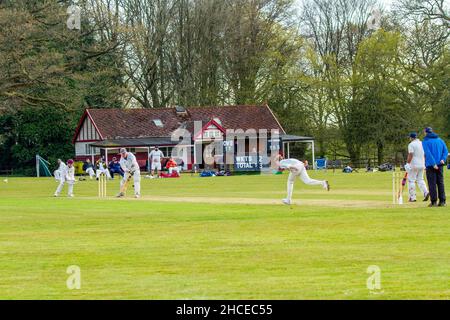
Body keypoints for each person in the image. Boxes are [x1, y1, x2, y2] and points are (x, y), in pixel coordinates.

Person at [422, 127, 448, 207]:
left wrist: (433, 164)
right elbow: (446, 151)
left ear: (426, 132)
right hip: (440, 164)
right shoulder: (440, 140)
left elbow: (428, 153)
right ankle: (442, 201)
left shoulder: (425, 141)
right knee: (440, 183)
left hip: (431, 165)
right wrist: (443, 159)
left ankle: (433, 202)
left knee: (432, 183)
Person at [405, 132, 429, 202]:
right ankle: (426, 192)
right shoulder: (422, 143)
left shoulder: (411, 144)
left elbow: (410, 154)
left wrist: (407, 163)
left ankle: (412, 197)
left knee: (411, 180)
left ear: (411, 138)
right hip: (422, 164)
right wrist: (424, 163)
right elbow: (424, 154)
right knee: (420, 179)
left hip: (414, 165)